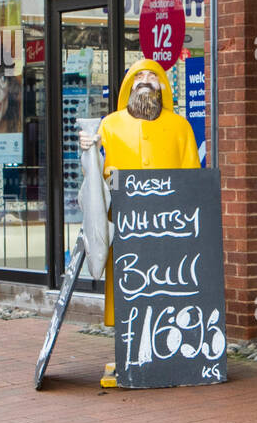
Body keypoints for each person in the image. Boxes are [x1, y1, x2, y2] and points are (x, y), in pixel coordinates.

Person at [79, 58, 199, 339]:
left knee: (169, 287)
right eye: (139, 76)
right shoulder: (109, 126)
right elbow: (95, 176)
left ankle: (168, 344)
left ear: (162, 86)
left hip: (171, 226)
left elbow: (192, 180)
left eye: (153, 76)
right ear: (129, 85)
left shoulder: (181, 127)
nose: (146, 80)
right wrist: (88, 151)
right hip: (125, 224)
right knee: (128, 291)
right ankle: (130, 349)